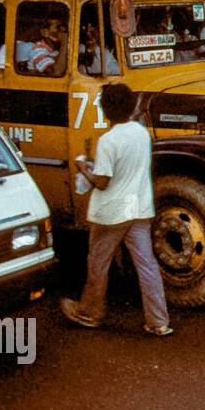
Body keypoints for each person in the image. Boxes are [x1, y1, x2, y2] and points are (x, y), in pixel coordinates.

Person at [60, 83, 173, 336]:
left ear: (106, 110)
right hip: (139, 208)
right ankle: (158, 321)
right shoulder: (141, 133)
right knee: (147, 265)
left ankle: (90, 312)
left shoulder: (108, 141)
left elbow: (102, 182)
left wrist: (82, 167)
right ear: (132, 106)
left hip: (111, 214)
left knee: (98, 264)